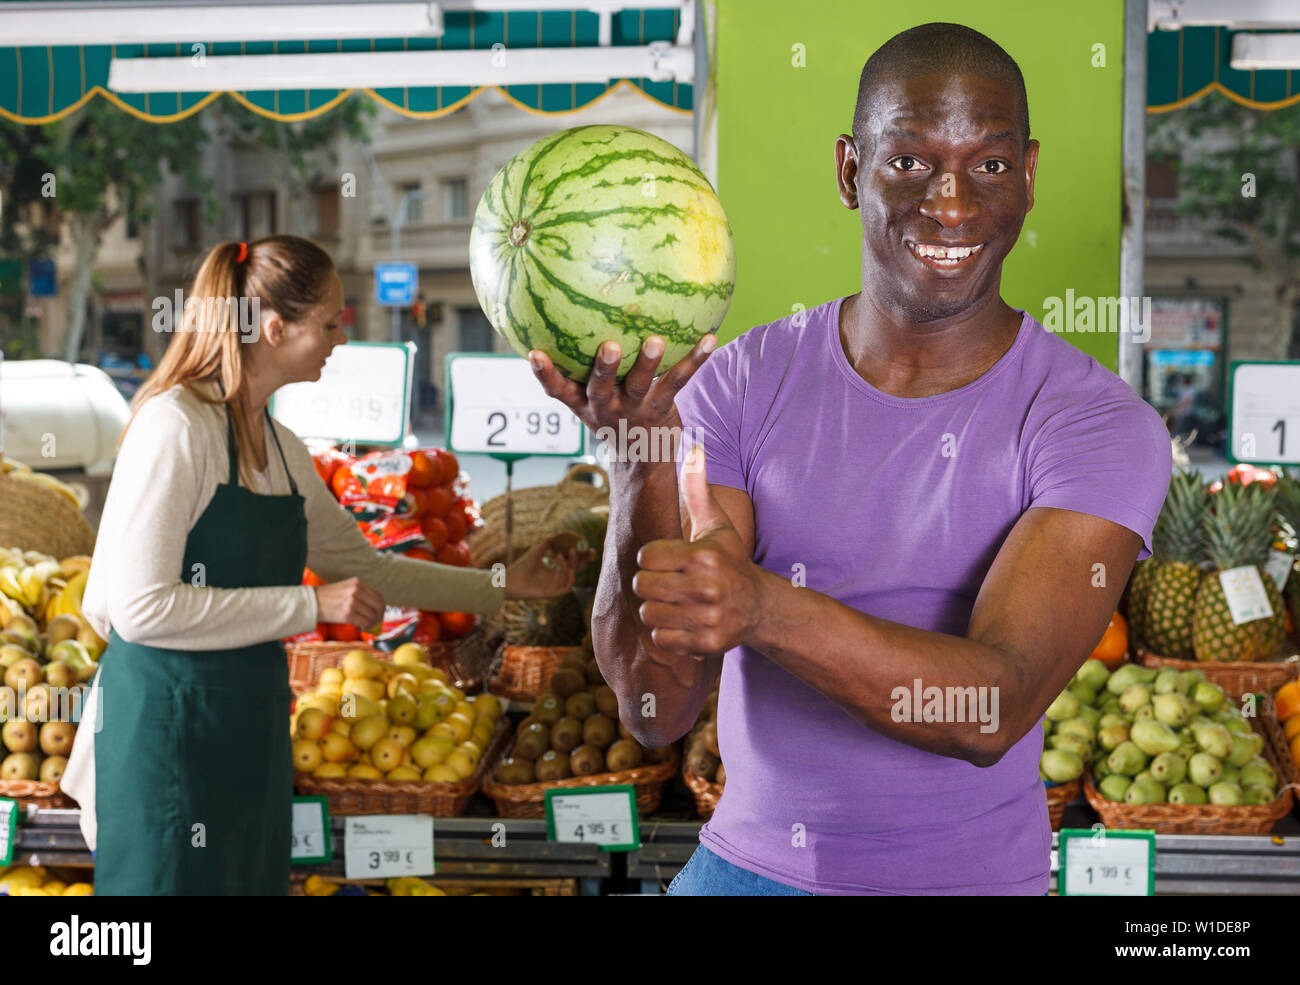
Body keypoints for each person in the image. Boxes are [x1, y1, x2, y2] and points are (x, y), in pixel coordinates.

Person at [530, 22, 1172, 895]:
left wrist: (760, 605)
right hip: (743, 869)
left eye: (986, 165)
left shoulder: (1096, 424)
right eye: (908, 161)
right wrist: (638, 447)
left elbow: (990, 708)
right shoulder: (742, 381)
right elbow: (654, 707)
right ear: (849, 171)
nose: (949, 204)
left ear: (1026, 179)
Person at [63, 235, 585, 896]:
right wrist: (310, 606)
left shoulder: (280, 450)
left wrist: (508, 583)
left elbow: (376, 569)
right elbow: (141, 608)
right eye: (331, 321)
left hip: (248, 729)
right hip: (163, 737)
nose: (343, 335)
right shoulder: (175, 427)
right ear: (275, 328)